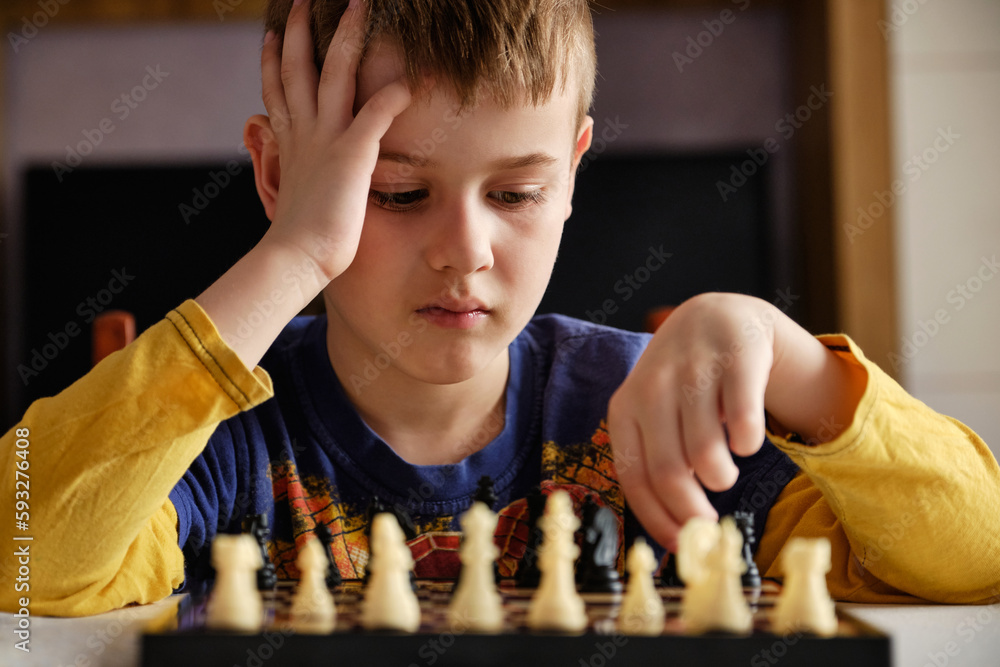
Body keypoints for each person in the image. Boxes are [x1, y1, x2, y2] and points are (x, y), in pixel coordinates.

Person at [2, 0, 998, 617]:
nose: (465, 251)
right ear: (277, 174)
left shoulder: (664, 421)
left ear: (571, 175)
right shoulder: (215, 444)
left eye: (515, 194)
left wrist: (784, 354)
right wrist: (293, 253)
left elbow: (975, 559)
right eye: (394, 193)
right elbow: (24, 559)